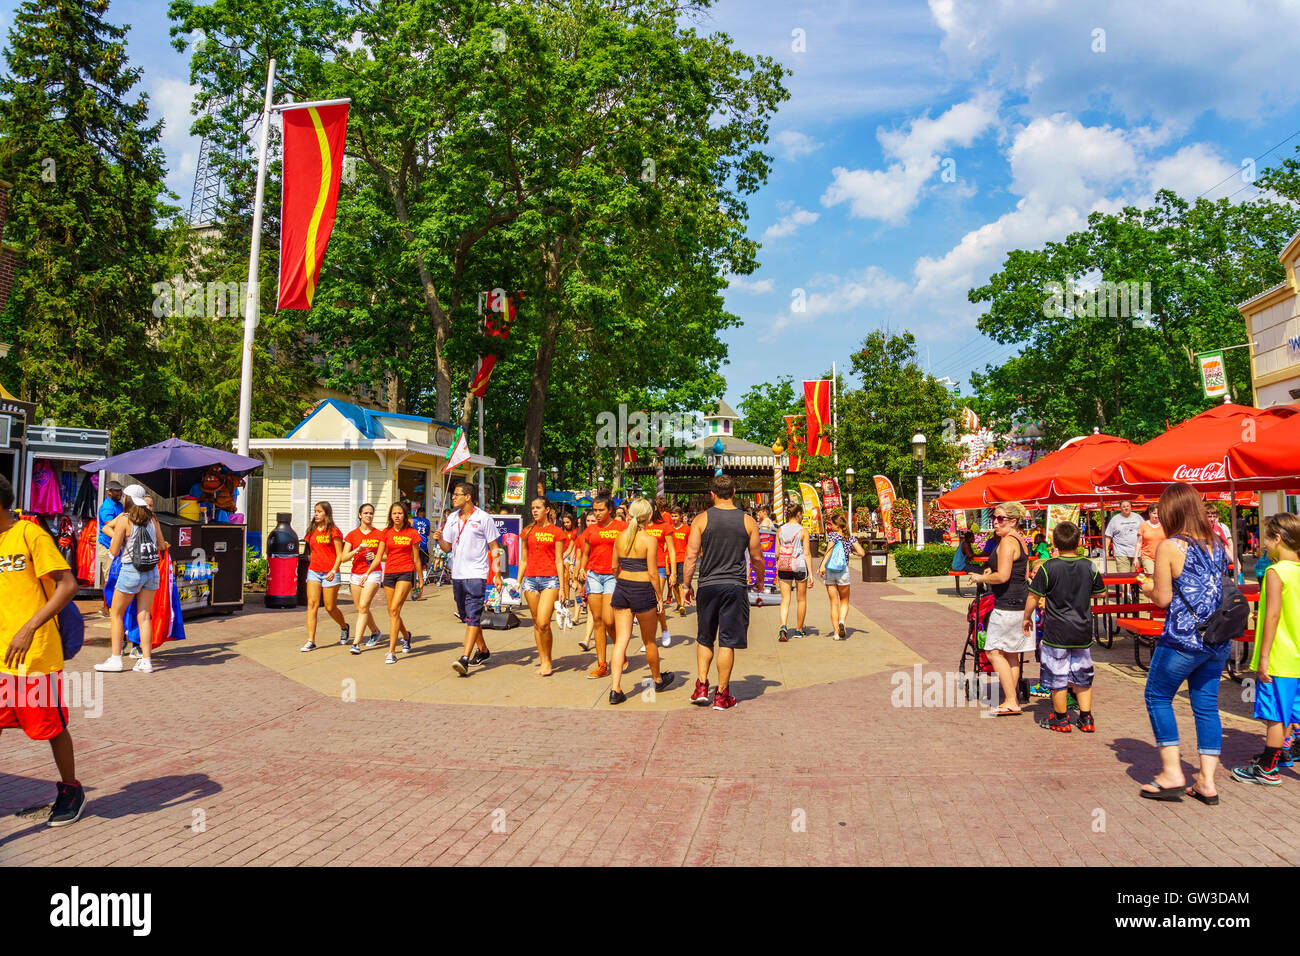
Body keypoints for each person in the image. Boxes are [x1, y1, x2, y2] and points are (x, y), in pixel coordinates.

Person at [1137, 482, 1231, 804]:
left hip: (1183, 639)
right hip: (1217, 640)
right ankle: (1206, 781)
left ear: (1171, 511)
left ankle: (1172, 773)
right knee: (1206, 707)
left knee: (1157, 695)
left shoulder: (1170, 546)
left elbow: (1163, 599)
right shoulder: (1217, 542)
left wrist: (1147, 587)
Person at [0, 474, 85, 825]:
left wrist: (28, 628)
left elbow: (68, 586)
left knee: (50, 728)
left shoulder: (30, 534)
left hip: (34, 655)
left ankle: (70, 789)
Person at [681, 474, 763, 710]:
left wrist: (686, 585)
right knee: (727, 641)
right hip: (734, 585)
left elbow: (691, 556)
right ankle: (722, 695)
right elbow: (757, 557)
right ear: (735, 493)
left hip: (707, 584)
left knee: (705, 637)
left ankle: (702, 686)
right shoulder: (748, 521)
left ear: (712, 494)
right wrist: (759, 580)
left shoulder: (700, 519)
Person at [1231, 513, 1300, 785]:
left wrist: (1263, 657)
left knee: (1274, 712)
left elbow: (1271, 616)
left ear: (1278, 538)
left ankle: (1266, 768)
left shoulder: (1276, 571)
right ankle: (1278, 756)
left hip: (1280, 655)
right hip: (1297, 653)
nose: (1264, 545)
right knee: (1294, 708)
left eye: (1267, 539)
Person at [1023, 521, 1105, 732]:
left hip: (1056, 631)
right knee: (1083, 673)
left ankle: (1060, 718)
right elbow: (1101, 592)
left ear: (1055, 543)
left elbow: (1034, 596)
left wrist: (1026, 617)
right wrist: (1083, 593)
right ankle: (1086, 718)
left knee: (1057, 674)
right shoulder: (1089, 565)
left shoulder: (1048, 567)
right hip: (1082, 629)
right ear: (1078, 543)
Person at [607, 498, 675, 704]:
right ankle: (657, 678)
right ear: (648, 517)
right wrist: (659, 597)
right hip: (643, 589)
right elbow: (653, 573)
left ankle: (615, 689)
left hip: (623, 588)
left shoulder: (620, 537)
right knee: (649, 640)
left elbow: (614, 568)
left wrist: (622, 582)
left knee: (621, 640)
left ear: (630, 515)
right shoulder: (649, 540)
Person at [96, 484, 167, 673]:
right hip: (151, 571)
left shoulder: (125, 520)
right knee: (144, 616)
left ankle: (116, 658)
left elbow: (113, 549)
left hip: (131, 571)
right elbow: (161, 545)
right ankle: (146, 661)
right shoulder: (153, 519)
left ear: (127, 499)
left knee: (116, 613)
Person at [971, 501, 1033, 715]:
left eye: (1000, 519)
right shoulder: (1021, 541)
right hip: (1020, 601)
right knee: (1011, 654)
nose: (995, 523)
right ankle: (1011, 698)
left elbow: (1005, 575)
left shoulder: (1007, 542)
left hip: (1007, 603)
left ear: (1013, 521)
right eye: (993, 518)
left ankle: (1011, 700)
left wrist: (981, 577)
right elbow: (1022, 574)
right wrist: (992, 572)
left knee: (993, 651)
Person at [439, 481, 500, 676]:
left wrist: (497, 573)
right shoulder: (452, 518)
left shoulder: (483, 518)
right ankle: (483, 650)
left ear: (468, 497)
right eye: (453, 494)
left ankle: (464, 658)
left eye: (457, 494)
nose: (453, 497)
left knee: (473, 615)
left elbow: (494, 548)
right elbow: (447, 548)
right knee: (468, 617)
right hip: (457, 574)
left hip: (476, 574)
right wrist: (439, 539)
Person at [575, 496, 626, 679]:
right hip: (594, 575)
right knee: (597, 620)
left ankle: (620, 652)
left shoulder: (622, 527)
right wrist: (581, 568)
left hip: (614, 576)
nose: (596, 514)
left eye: (600, 510)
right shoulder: (590, 530)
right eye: (594, 510)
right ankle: (602, 664)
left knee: (609, 620)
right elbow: (585, 552)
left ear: (610, 510)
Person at [519, 496, 565, 676]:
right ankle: (543, 659)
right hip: (530, 580)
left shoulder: (557, 532)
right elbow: (523, 559)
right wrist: (517, 581)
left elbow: (559, 561)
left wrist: (562, 588)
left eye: (538, 507)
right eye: (532, 508)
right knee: (537, 624)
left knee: (544, 622)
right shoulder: (527, 531)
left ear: (547, 510)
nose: (534, 511)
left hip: (550, 580)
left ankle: (548, 660)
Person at [373, 502, 424, 663]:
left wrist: (420, 580)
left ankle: (391, 651)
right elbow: (379, 555)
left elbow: (416, 558)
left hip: (405, 572)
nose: (397, 516)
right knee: (392, 612)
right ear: (390, 515)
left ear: (405, 515)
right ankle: (406, 636)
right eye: (394, 513)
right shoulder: (385, 533)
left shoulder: (412, 533)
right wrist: (367, 573)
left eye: (400, 513)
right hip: (389, 574)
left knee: (394, 609)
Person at [297, 501, 349, 653]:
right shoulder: (312, 530)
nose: (316, 514)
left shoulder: (334, 531)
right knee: (312, 605)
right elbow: (312, 551)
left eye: (319, 511)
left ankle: (344, 626)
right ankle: (311, 640)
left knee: (330, 607)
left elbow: (340, 555)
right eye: (315, 511)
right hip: (314, 571)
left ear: (326, 513)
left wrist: (333, 570)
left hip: (330, 572)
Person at [335, 503, 385, 654]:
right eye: (366, 513)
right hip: (356, 574)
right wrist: (357, 550)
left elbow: (386, 555)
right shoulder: (352, 535)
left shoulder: (379, 534)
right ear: (359, 515)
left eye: (371, 513)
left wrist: (376, 556)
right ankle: (375, 632)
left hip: (373, 573)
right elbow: (343, 558)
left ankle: (356, 643)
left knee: (363, 606)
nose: (369, 516)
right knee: (360, 608)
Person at [818, 512, 865, 640]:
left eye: (832, 524)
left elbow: (829, 551)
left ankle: (836, 633)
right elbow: (862, 553)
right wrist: (851, 550)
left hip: (830, 571)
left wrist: (822, 566)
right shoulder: (850, 538)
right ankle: (842, 622)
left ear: (837, 526)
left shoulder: (833, 536)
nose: (830, 526)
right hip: (843, 571)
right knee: (844, 601)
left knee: (834, 603)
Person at [643, 498, 677, 648]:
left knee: (657, 600)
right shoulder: (639, 526)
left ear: (655, 508)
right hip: (642, 568)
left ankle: (663, 629)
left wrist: (674, 573)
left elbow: (671, 550)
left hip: (660, 567)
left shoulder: (664, 526)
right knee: (646, 605)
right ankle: (649, 638)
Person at [776, 502, 811, 641]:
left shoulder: (780, 530)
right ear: (798, 514)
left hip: (784, 565)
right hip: (800, 565)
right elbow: (807, 553)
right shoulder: (803, 531)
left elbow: (777, 553)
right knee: (801, 599)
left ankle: (783, 627)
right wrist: (811, 575)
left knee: (785, 599)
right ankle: (798, 630)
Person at [95, 479, 123, 616]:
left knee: (116, 576)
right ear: (109, 492)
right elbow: (108, 524)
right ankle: (106, 608)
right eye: (117, 491)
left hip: (116, 545)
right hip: (107, 546)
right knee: (109, 577)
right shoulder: (107, 507)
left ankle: (113, 606)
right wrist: (123, 517)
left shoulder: (119, 505)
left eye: (120, 490)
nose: (120, 493)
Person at [1104, 499, 1142, 573]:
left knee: (1135, 577)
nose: (1126, 508)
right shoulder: (1115, 519)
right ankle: (1125, 585)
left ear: (1131, 507)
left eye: (1128, 506)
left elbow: (1145, 531)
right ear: (1120, 508)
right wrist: (1106, 551)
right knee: (1124, 576)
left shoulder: (1138, 517)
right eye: (1124, 506)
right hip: (1121, 552)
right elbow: (1108, 536)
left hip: (1137, 552)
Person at [409, 502, 432, 599]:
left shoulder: (412, 520)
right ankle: (422, 579)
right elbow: (428, 533)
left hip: (415, 545)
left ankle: (417, 580)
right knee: (423, 564)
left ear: (417, 513)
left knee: (414, 563)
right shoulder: (427, 521)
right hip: (423, 545)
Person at [670, 507, 690, 614]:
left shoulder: (687, 529)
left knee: (681, 583)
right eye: (672, 516)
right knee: (673, 584)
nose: (674, 518)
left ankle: (682, 605)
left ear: (681, 516)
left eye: (676, 516)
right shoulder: (669, 529)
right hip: (671, 560)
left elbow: (691, 544)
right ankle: (678, 603)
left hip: (683, 559)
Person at [1138, 504, 1166, 576]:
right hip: (1147, 556)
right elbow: (1139, 543)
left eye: (1158, 513)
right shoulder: (1143, 525)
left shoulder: (1165, 525)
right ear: (1150, 513)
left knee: (1161, 577)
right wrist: (1136, 558)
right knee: (1151, 576)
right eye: (1154, 513)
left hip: (1162, 556)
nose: (1156, 516)